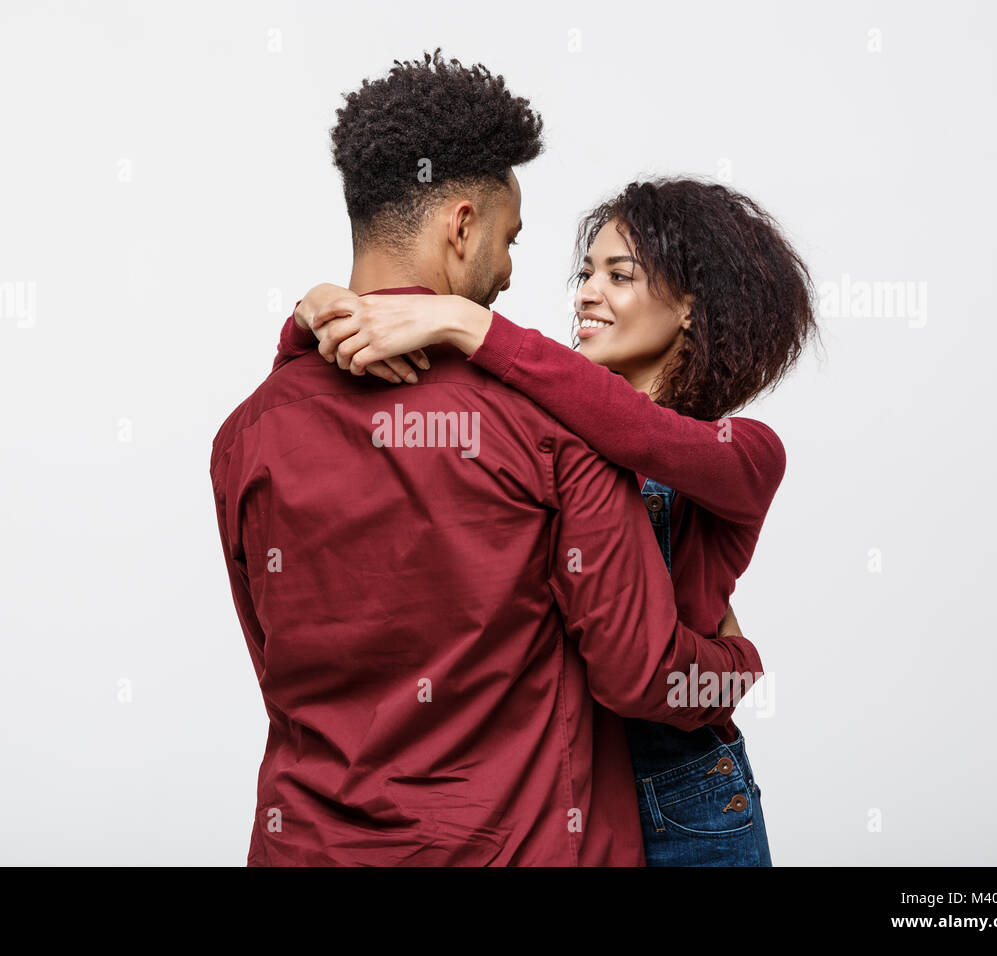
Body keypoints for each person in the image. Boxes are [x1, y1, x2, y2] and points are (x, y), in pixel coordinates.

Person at [211, 50, 763, 866]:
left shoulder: (246, 434)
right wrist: (736, 663)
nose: (510, 273)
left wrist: (305, 329)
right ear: (461, 226)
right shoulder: (557, 428)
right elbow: (640, 673)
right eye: (507, 240)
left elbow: (274, 657)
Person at [277, 177, 818, 866]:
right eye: (586, 272)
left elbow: (641, 436)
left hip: (687, 795)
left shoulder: (744, 453)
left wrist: (460, 319)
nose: (587, 292)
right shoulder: (555, 416)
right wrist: (311, 319)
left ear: (690, 307)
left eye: (618, 275)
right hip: (569, 786)